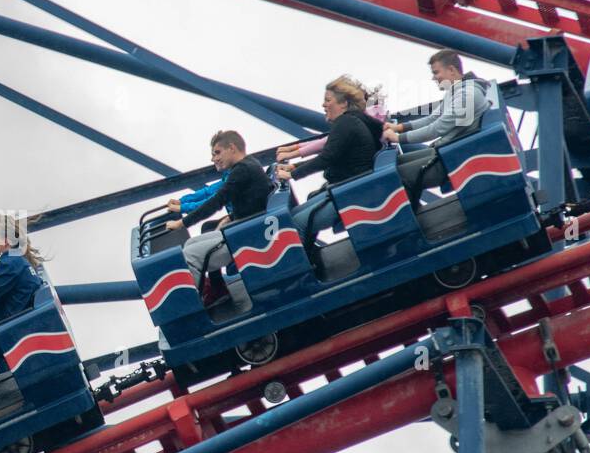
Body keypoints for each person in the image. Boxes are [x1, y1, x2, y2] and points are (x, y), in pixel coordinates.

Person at [277, 76, 379, 251]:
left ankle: (302, 272)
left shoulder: (346, 123)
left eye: (327, 100)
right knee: (295, 214)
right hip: (344, 188)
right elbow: (331, 154)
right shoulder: (352, 121)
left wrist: (292, 175)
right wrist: (293, 168)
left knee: (294, 227)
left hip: (349, 193)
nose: (323, 105)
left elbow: (327, 158)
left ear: (344, 104)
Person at [383, 50, 491, 209]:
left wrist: (398, 138)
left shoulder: (466, 95)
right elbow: (434, 118)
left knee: (396, 177)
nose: (434, 78)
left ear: (452, 70)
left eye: (436, 72)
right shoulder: (458, 91)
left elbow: (437, 128)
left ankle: (410, 225)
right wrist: (399, 128)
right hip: (445, 152)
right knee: (396, 163)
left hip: (453, 158)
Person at [167, 130, 272, 288]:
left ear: (231, 148)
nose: (213, 159)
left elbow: (216, 201)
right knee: (190, 244)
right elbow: (251, 201)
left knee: (189, 256)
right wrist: (231, 217)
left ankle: (194, 306)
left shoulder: (242, 171)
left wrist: (182, 223)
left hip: (247, 235)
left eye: (217, 153)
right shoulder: (250, 164)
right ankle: (217, 290)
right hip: (248, 226)